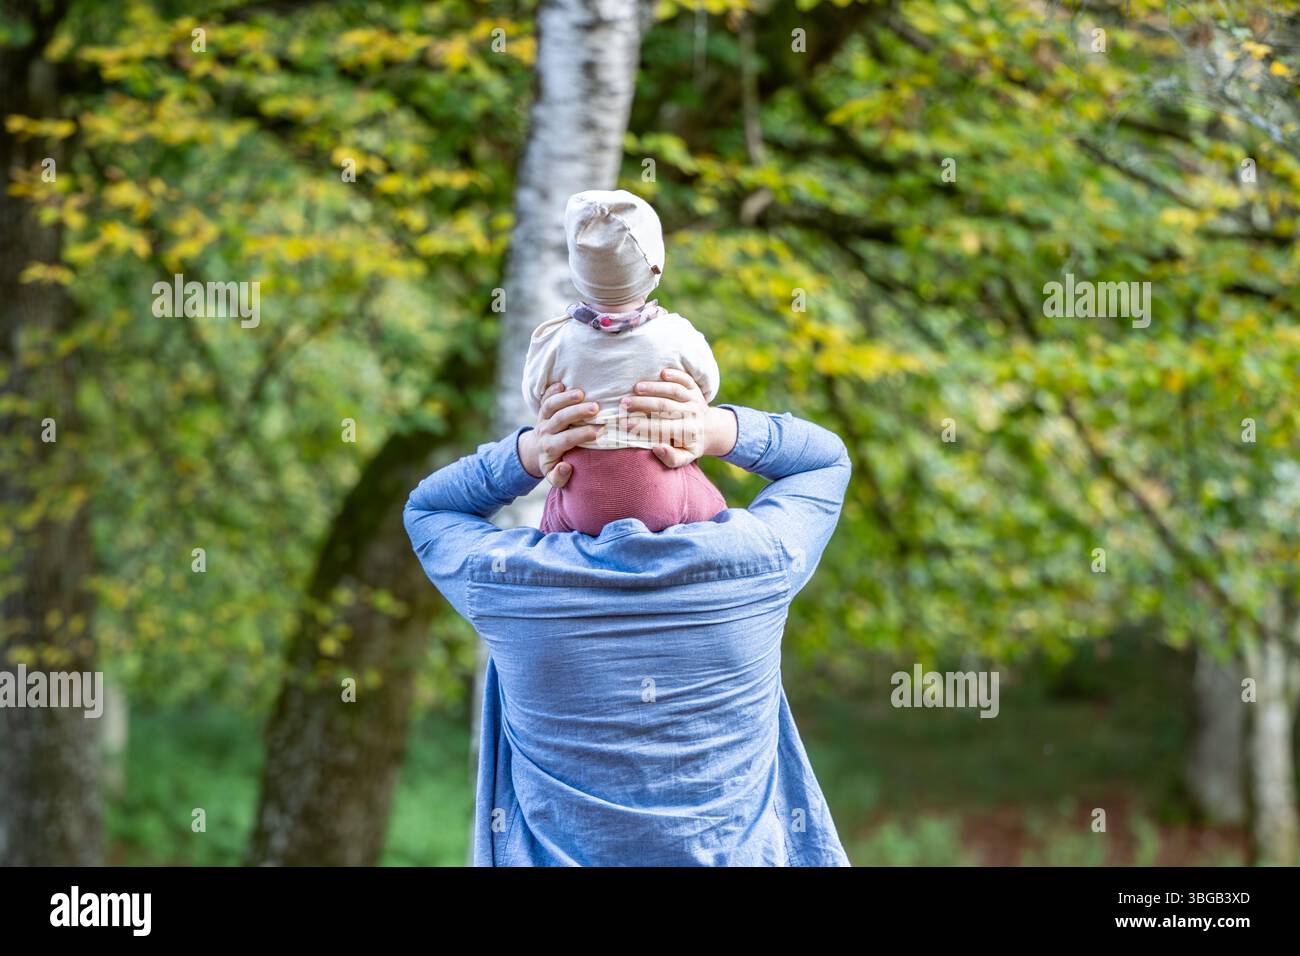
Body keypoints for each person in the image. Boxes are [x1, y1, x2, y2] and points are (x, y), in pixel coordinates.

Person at [403, 368, 853, 865]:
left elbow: (429, 509)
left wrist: (530, 454)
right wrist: (716, 431)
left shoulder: (512, 582)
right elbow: (824, 462)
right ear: (690, 484)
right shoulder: (754, 561)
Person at [521, 188, 726, 535]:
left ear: (576, 272)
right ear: (655, 266)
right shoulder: (677, 334)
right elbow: (707, 387)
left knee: (550, 524)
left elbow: (535, 400)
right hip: (662, 480)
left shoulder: (553, 339)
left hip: (581, 492)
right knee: (717, 515)